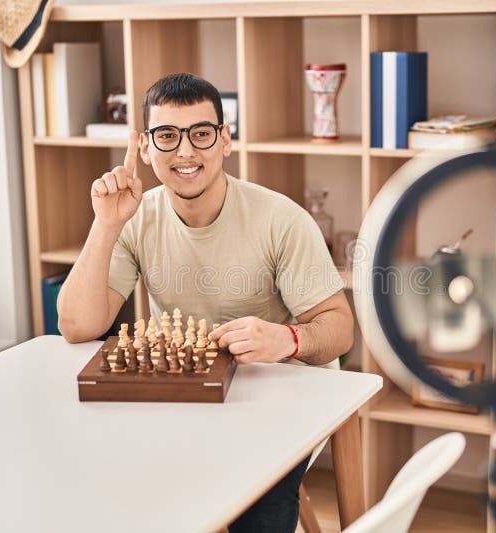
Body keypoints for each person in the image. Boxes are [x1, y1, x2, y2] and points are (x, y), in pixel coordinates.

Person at [57, 72, 354, 532]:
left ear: (225, 140)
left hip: (279, 396)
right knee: (107, 483)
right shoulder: (135, 218)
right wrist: (106, 224)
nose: (186, 152)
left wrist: (286, 338)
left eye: (201, 133)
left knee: (255, 507)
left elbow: (339, 329)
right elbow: (76, 325)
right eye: (167, 136)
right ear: (144, 147)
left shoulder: (281, 220)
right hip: (182, 396)